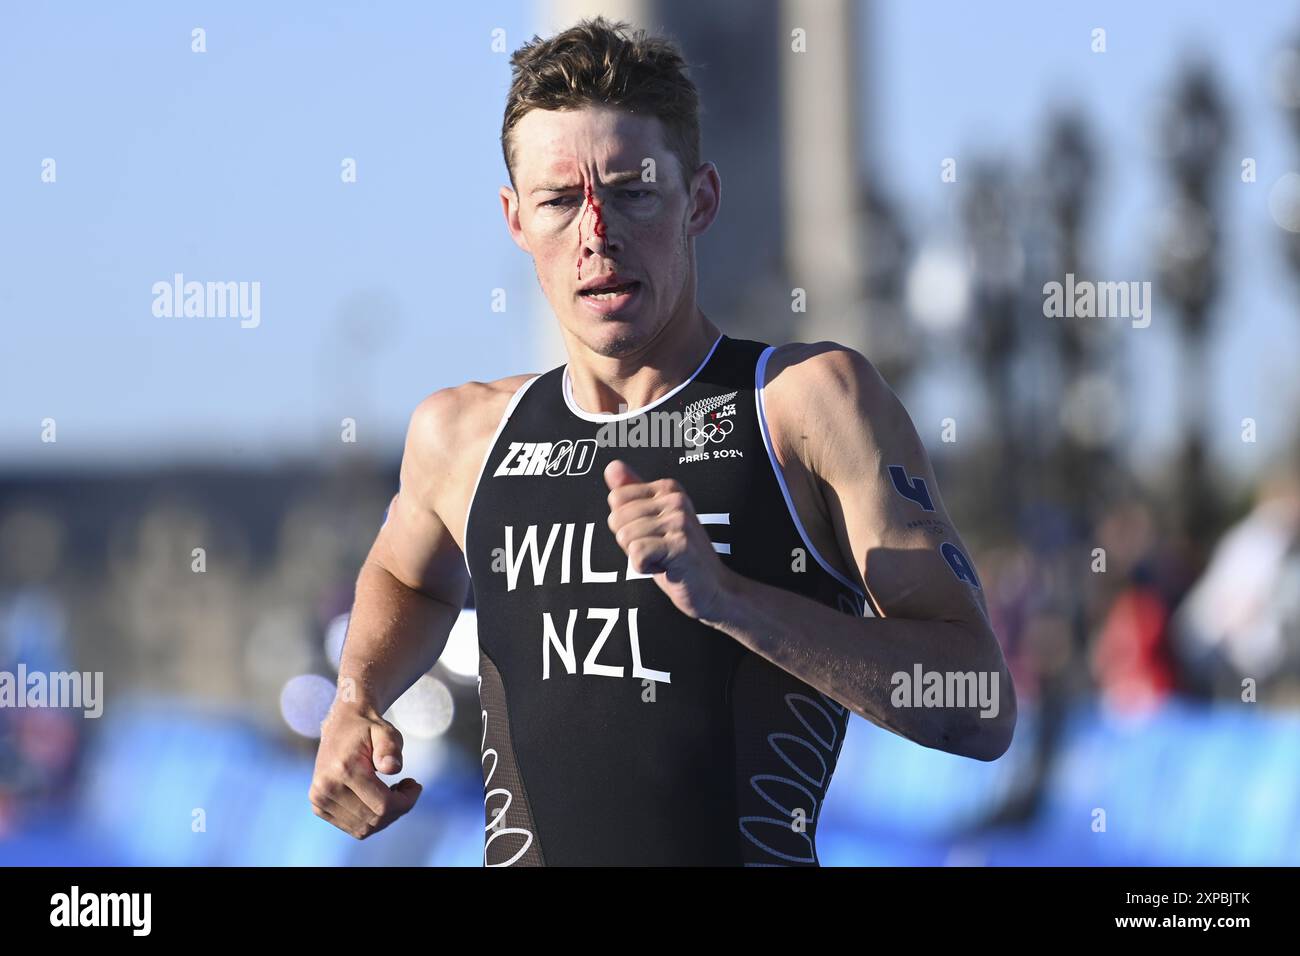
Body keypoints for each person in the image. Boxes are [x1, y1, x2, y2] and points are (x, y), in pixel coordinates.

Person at [309, 16, 1015, 866]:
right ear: (515, 220)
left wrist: (730, 599)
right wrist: (356, 697)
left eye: (633, 192)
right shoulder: (462, 434)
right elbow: (405, 577)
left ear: (700, 200)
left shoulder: (806, 404)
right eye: (561, 201)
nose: (597, 233)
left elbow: (979, 705)